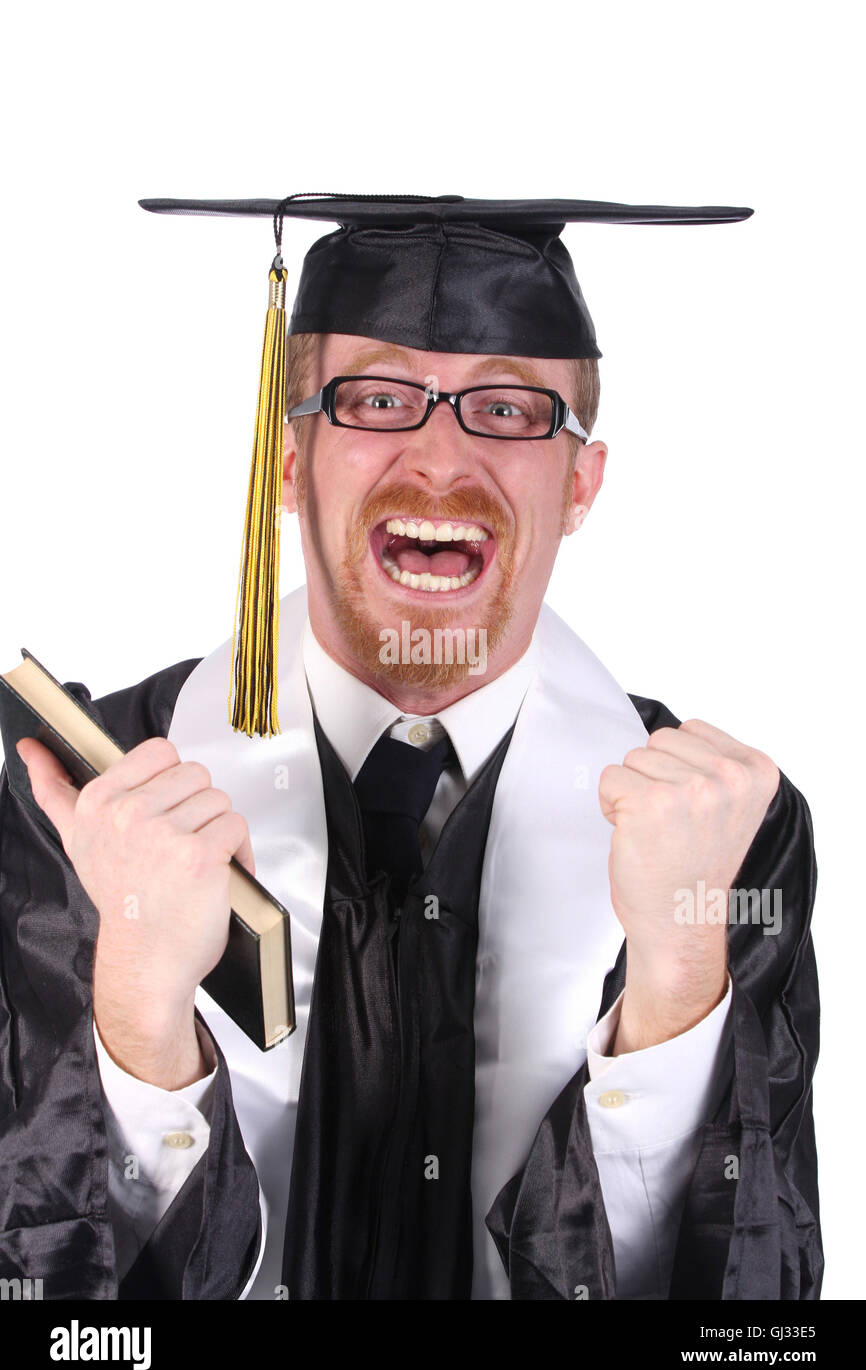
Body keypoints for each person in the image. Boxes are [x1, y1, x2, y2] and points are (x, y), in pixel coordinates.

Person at [0, 194, 821, 1300]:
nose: (438, 457)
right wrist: (143, 1008)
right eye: (377, 398)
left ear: (579, 483)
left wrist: (673, 982)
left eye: (508, 407)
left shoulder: (724, 830)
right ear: (287, 461)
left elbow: (752, 1314)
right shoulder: (91, 795)